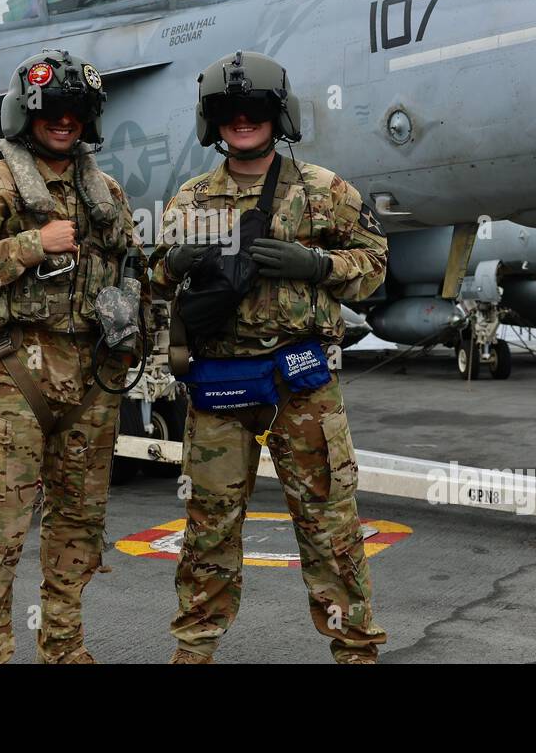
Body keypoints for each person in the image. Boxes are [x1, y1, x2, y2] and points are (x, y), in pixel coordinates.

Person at [150, 50, 389, 663]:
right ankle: (194, 651)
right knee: (208, 530)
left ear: (276, 115)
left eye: (255, 109)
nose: (243, 120)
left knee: (329, 525)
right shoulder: (191, 197)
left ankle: (355, 650)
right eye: (230, 112)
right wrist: (172, 264)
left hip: (299, 385)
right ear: (214, 124)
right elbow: (155, 273)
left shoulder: (322, 191)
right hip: (220, 388)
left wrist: (319, 265)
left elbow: (374, 270)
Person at [0, 48, 140, 663]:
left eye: (74, 113)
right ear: (27, 115)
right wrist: (33, 244)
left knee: (79, 530)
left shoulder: (106, 193)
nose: (63, 121)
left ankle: (64, 648)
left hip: (93, 384)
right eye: (51, 110)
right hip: (18, 377)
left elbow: (131, 271)